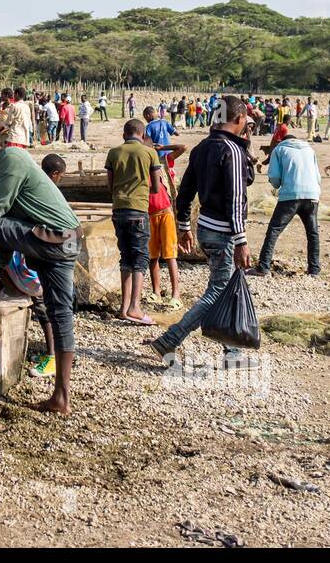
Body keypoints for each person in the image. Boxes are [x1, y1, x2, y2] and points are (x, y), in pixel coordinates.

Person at [0, 119, 81, 416]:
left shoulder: (11, 158)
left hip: (54, 239)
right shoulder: (3, 166)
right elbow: (11, 220)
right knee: (60, 314)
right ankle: (61, 398)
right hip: (69, 238)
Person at [149, 95, 254, 365]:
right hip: (225, 232)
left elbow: (184, 194)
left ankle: (232, 351)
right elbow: (235, 198)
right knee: (218, 290)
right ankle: (171, 338)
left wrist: (185, 226)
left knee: (221, 287)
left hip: (206, 229)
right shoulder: (230, 151)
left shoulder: (202, 148)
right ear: (240, 119)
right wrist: (241, 240)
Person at [106, 118, 164, 325]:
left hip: (118, 210)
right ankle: (135, 307)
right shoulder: (150, 153)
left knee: (126, 258)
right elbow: (156, 187)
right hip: (138, 210)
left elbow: (111, 185)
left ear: (124, 134)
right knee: (140, 258)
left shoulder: (113, 153)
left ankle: (124, 307)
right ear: (142, 134)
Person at [250, 128, 322, 275]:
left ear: (283, 141)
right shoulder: (309, 150)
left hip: (290, 196)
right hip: (312, 195)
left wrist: (277, 185)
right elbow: (318, 177)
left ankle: (263, 267)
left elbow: (275, 177)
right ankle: (314, 269)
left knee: (274, 230)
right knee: (312, 233)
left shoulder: (280, 149)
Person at [145, 162, 181, 310]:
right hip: (149, 215)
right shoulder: (139, 172)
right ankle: (156, 292)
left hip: (165, 213)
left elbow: (182, 148)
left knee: (170, 255)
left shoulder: (158, 168)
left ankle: (176, 295)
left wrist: (160, 149)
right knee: (153, 256)